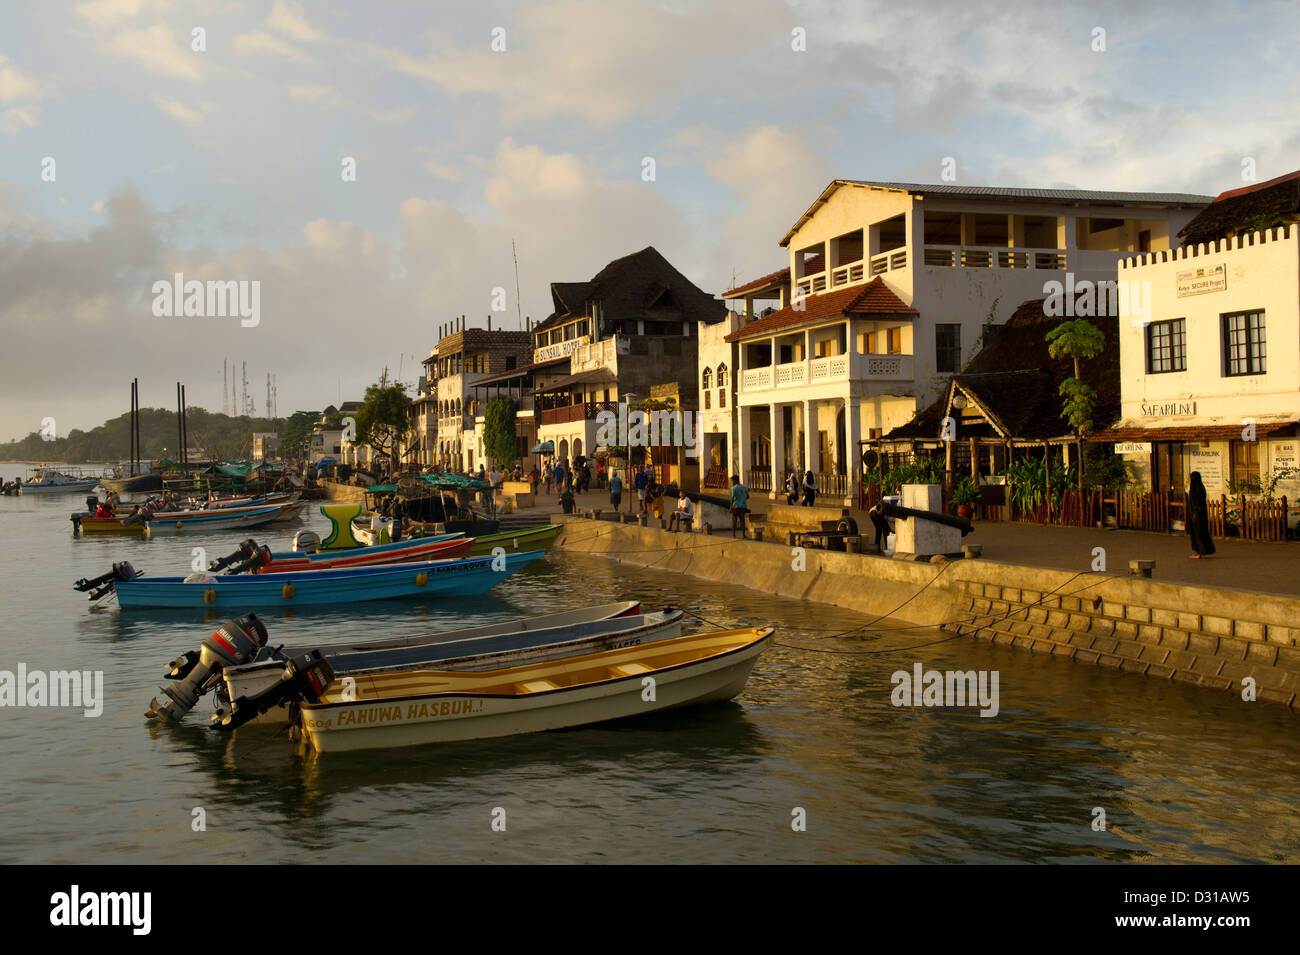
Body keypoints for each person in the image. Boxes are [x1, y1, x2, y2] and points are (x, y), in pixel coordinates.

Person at [1187, 471, 1216, 558]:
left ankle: (1200, 552)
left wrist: (1196, 513)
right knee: (1197, 532)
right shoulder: (1197, 487)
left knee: (1199, 533)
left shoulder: (1198, 488)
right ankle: (1199, 551)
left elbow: (1198, 502)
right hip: (1196, 513)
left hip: (1198, 514)